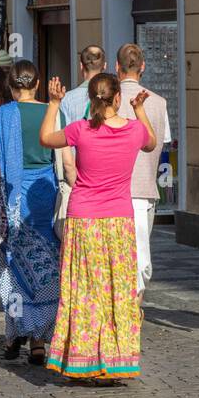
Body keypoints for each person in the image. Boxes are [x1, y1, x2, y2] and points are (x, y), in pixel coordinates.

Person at [41, 74, 157, 381]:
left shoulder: (81, 130)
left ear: (91, 99)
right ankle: (116, 359)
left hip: (83, 219)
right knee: (117, 290)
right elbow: (151, 142)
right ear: (117, 98)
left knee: (85, 290)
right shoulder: (133, 130)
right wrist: (139, 110)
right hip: (119, 220)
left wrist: (54, 103)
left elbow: (46, 138)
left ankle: (84, 358)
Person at [0, 60, 65, 362]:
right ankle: (38, 340)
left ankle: (14, 333)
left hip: (14, 196)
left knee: (13, 267)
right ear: (37, 84)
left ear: (10, 85)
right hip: (44, 193)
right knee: (46, 265)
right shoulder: (53, 112)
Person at [114, 43, 171, 302]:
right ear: (143, 67)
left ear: (117, 67)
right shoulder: (158, 102)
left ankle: (122, 308)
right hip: (144, 189)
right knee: (140, 257)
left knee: (117, 256)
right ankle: (134, 307)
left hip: (112, 189)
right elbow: (162, 142)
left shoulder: (110, 100)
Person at [59, 45, 108, 126]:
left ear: (81, 66)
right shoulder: (112, 95)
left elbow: (63, 130)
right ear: (105, 66)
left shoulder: (66, 99)